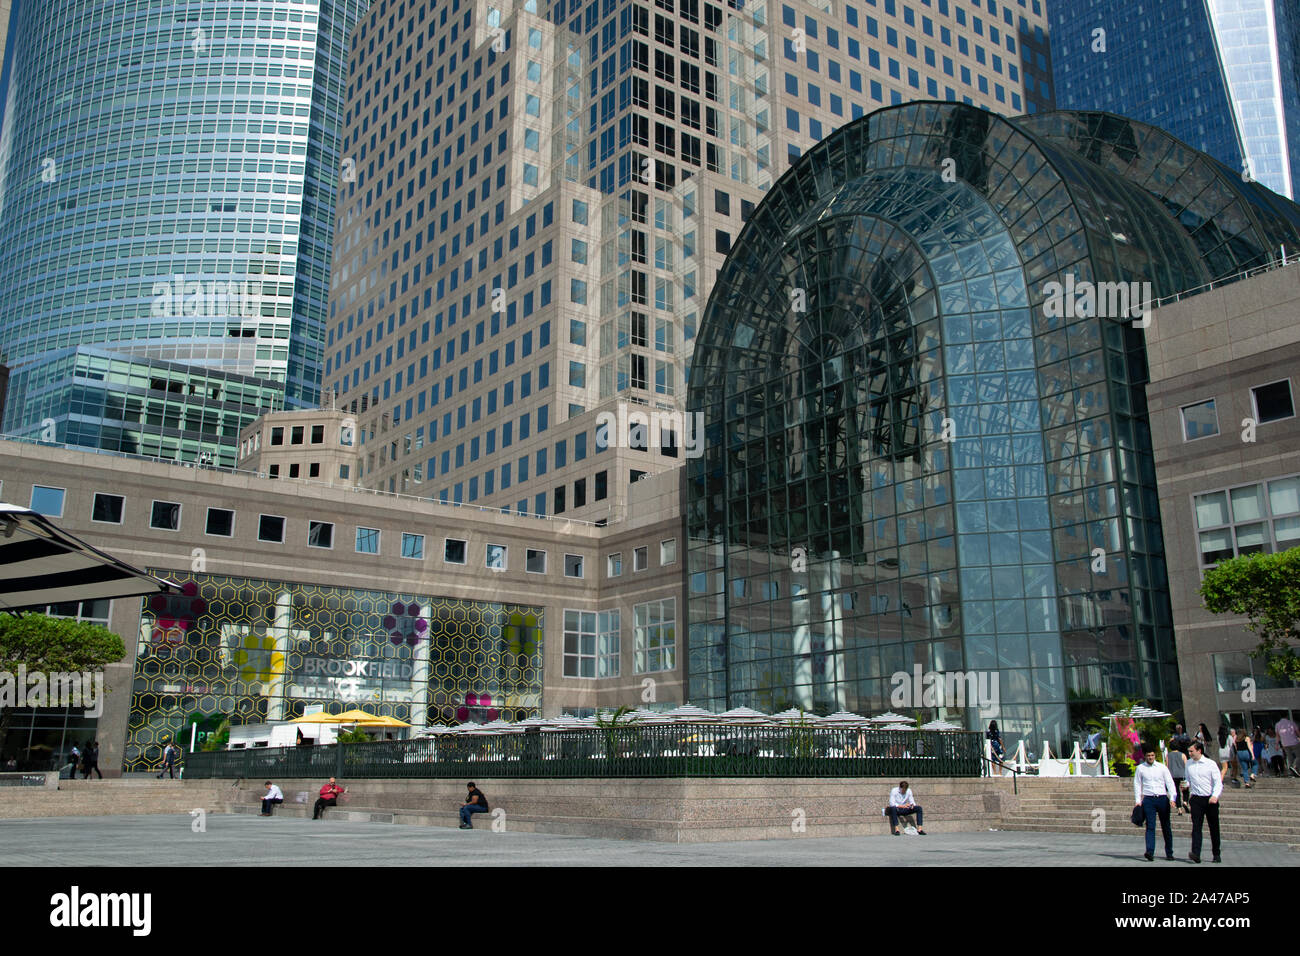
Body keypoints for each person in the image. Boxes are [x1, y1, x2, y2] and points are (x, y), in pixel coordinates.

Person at [1133, 745, 1176, 861]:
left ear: (1155, 755)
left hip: (1162, 798)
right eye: (1148, 756)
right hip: (1148, 799)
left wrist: (1172, 798)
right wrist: (1138, 801)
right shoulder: (1140, 768)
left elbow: (1170, 783)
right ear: (1145, 756)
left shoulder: (1162, 768)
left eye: (1152, 755)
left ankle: (1169, 852)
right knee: (1150, 826)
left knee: (1166, 825)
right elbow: (1137, 784)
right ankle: (1149, 851)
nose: (1150, 757)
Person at [1185, 741, 1223, 864]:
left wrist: (1215, 796)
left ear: (1199, 750)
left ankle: (1216, 853)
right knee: (1196, 826)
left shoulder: (1210, 764)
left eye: (1192, 751)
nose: (1189, 753)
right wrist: (1186, 786)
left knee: (1214, 827)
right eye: (1189, 751)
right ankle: (1196, 853)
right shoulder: (1189, 764)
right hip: (1196, 798)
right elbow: (1188, 780)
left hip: (1210, 799)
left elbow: (1218, 782)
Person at [1166, 741, 1188, 815]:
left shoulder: (1168, 755)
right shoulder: (1182, 755)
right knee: (1185, 790)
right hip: (1182, 775)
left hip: (1172, 776)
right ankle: (1185, 802)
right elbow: (1186, 765)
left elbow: (1167, 766)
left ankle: (1179, 808)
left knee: (1176, 792)